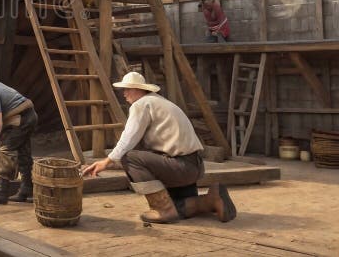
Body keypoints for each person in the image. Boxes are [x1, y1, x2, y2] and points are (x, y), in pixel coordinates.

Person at [82, 72, 236, 224]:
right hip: (192, 166)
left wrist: (106, 161)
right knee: (179, 207)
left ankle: (162, 209)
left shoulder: (141, 104)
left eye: (128, 89)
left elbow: (128, 138)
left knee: (130, 158)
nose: (124, 93)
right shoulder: (160, 102)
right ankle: (211, 200)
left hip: (180, 167)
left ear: (139, 89)